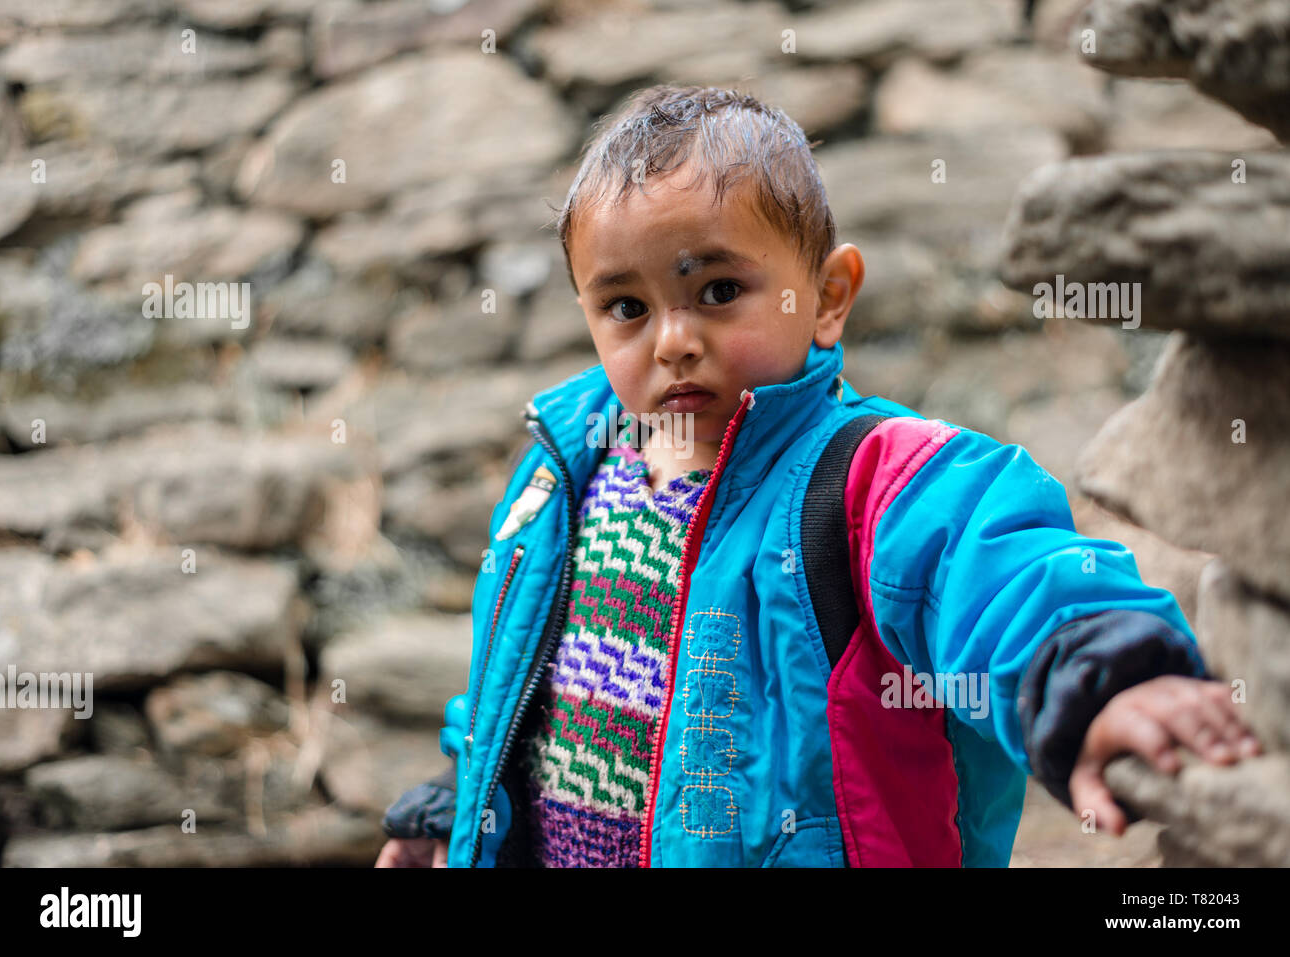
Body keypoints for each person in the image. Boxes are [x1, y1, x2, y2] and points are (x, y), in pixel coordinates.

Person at [375, 85, 1260, 868]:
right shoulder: (563, 471)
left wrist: (1097, 678)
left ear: (829, 296)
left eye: (718, 290)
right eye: (627, 307)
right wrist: (457, 808)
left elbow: (997, 574)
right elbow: (521, 682)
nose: (673, 338)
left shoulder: (871, 479)